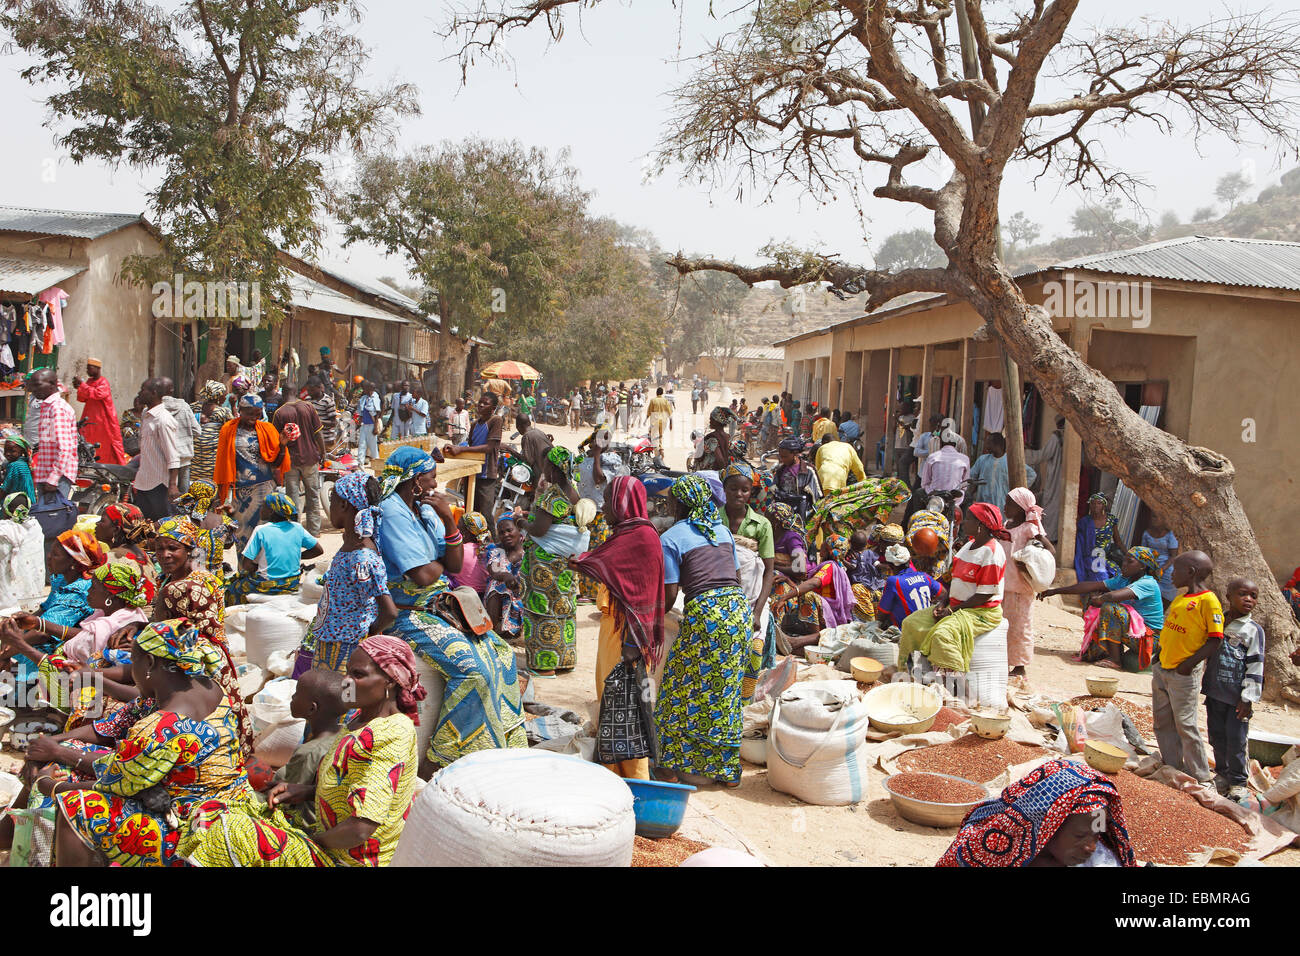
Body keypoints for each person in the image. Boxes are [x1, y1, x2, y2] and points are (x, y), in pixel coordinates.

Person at [180, 636, 421, 867]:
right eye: (347, 671)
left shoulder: (391, 733)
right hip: (327, 838)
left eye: (358, 675)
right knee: (210, 809)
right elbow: (352, 785)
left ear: (390, 681)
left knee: (222, 833)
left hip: (344, 858)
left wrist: (305, 844)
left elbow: (361, 828)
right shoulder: (361, 719)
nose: (346, 681)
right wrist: (307, 791)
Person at [38, 618, 251, 867]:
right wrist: (58, 741)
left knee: (78, 807)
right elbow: (113, 726)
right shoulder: (209, 687)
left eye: (133, 661)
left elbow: (113, 782)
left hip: (193, 826)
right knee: (73, 751)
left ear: (149, 662)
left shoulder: (162, 726)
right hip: (226, 801)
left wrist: (48, 784)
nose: (132, 669)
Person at [375, 447, 525, 770]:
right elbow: (422, 575)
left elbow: (452, 565)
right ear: (415, 481)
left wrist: (447, 519)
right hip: (405, 613)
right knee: (473, 671)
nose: (435, 483)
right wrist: (438, 564)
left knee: (502, 654)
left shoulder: (427, 510)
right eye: (430, 477)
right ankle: (440, 758)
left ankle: (501, 743)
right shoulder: (392, 512)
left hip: (439, 605)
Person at [654, 474, 749, 788]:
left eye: (671, 500)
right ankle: (726, 771)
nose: (668, 504)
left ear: (680, 503)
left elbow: (668, 597)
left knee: (677, 692)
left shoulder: (672, 537)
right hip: (738, 613)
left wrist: (648, 617)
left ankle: (668, 767)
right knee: (725, 692)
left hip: (707, 615)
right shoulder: (722, 531)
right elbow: (733, 576)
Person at [572, 476, 666, 780]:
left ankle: (631, 777)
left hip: (626, 635)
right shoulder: (629, 533)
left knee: (624, 706)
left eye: (609, 500)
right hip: (614, 628)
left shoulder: (639, 536)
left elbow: (643, 593)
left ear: (622, 503)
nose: (605, 508)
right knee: (612, 700)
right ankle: (612, 770)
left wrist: (630, 642)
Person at [937, 758, 1136, 867]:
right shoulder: (985, 851)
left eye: (1097, 834)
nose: (1091, 846)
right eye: (1080, 835)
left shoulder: (1096, 860)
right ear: (1046, 826)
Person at [153, 552, 255, 757]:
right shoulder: (210, 651)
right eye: (159, 547)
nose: (165, 554)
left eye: (157, 610)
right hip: (230, 755)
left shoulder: (183, 658)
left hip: (202, 757)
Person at [293, 473, 397, 675]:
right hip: (330, 644)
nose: (328, 507)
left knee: (346, 698)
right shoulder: (351, 544)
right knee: (327, 699)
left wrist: (367, 635)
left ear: (344, 506)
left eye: (332, 502)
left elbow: (389, 612)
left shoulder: (362, 558)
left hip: (347, 651)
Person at [898, 504, 1007, 674]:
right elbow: (953, 580)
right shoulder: (967, 546)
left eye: (970, 519)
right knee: (911, 623)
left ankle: (955, 683)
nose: (964, 523)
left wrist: (951, 610)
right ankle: (910, 672)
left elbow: (984, 595)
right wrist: (943, 603)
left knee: (943, 635)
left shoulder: (992, 553)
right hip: (956, 606)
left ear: (981, 526)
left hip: (980, 612)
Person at [1151, 551, 1222, 786]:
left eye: (1175, 570)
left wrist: (1187, 665)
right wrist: (1159, 656)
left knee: (1185, 724)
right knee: (1162, 721)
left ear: (1190, 572)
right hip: (1164, 669)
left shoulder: (1208, 601)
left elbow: (1215, 639)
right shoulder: (1181, 599)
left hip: (1182, 673)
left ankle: (1201, 777)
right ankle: (1172, 765)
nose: (1171, 575)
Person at [518, 447, 584, 675]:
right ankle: (564, 660)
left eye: (546, 465)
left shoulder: (554, 495)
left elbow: (540, 529)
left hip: (546, 566)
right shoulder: (573, 492)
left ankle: (545, 666)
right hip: (563, 564)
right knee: (563, 608)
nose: (543, 469)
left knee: (543, 610)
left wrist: (521, 523)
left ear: (554, 469)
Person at [1043, 546, 1163, 670]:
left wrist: (1099, 599)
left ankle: (1115, 660)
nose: (1124, 564)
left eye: (1130, 561)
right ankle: (1109, 651)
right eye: (1124, 560)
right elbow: (1090, 586)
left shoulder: (1148, 583)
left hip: (1150, 638)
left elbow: (1112, 596)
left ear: (1142, 566)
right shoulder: (1124, 579)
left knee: (1110, 607)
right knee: (1092, 599)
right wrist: (1055, 591)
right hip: (1133, 633)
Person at [1203, 578, 1265, 802]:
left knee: (1236, 739)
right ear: (1228, 596)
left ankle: (1238, 781)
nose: (1248, 599)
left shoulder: (1253, 630)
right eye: (1242, 594)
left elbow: (1256, 665)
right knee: (1216, 735)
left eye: (1253, 596)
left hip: (1237, 697)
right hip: (1214, 691)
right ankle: (1222, 774)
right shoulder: (1219, 622)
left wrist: (1248, 698)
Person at [269, 669, 347, 828]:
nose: (292, 697)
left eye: (297, 693)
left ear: (312, 709)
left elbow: (287, 800)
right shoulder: (346, 733)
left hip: (306, 827)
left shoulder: (309, 752)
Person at [215, 394, 289, 550]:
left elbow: (275, 463)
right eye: (249, 413)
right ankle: (244, 571)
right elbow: (223, 462)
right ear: (240, 410)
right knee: (242, 534)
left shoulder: (268, 429)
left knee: (265, 532)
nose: (254, 417)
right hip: (240, 492)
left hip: (264, 488)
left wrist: (282, 445)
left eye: (257, 413)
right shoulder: (228, 430)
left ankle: (263, 572)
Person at [226, 493, 323, 603]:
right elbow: (318, 550)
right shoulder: (297, 528)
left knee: (232, 588)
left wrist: (258, 567)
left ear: (271, 511)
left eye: (263, 506)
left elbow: (246, 564)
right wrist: (294, 556)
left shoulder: (261, 530)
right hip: (292, 584)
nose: (260, 509)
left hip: (268, 586)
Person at [1001, 487, 1057, 677]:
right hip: (1003, 585)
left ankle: (1019, 666)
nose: (1005, 506)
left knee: (1020, 627)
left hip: (1020, 587)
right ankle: (1003, 662)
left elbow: (1049, 551)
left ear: (1021, 507)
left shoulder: (1030, 528)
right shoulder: (1005, 525)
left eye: (1009, 504)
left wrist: (1031, 566)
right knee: (1003, 625)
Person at [274, 384, 326, 536]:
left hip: (290, 460)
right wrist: (323, 452)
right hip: (310, 457)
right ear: (296, 392)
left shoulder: (280, 413)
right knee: (313, 495)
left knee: (292, 497)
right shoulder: (308, 407)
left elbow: (277, 439)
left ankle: (294, 530)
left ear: (283, 394)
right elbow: (318, 433)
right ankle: (314, 531)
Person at [446, 392, 504, 516]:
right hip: (472, 473)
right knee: (470, 512)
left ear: (493, 408)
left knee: (486, 515)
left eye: (485, 403)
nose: (481, 405)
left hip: (486, 475)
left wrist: (461, 450)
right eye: (480, 402)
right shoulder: (474, 425)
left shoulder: (496, 420)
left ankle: (491, 536)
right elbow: (471, 447)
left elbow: (489, 447)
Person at [132, 378, 182, 520]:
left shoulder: (163, 420)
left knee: (163, 525)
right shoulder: (147, 416)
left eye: (143, 390)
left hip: (160, 485)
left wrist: (172, 485)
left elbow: (173, 455)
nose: (139, 393)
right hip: (144, 482)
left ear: (153, 393)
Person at [31, 369, 78, 503]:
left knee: (53, 519)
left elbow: (65, 448)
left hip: (56, 478)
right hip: (47, 475)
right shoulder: (47, 406)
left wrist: (53, 478)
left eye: (37, 385)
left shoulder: (57, 408)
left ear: (52, 384)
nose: (33, 389)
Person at [71, 358, 127, 465]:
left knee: (106, 446)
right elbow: (82, 398)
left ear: (97, 368)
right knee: (88, 445)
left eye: (89, 368)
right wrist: (79, 387)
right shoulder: (89, 382)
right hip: (90, 420)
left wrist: (82, 385)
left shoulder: (103, 382)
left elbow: (97, 394)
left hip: (103, 422)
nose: (87, 371)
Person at [877, 545, 944, 628]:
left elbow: (883, 613)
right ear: (909, 561)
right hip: (927, 627)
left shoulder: (894, 581)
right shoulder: (925, 576)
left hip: (906, 631)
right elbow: (943, 594)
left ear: (890, 566)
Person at [0, 493, 46, 610]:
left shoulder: (3, 531)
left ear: (6, 510)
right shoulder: (35, 527)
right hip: (33, 594)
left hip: (6, 597)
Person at [484, 515, 525, 640]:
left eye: (509, 530)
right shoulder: (496, 550)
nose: (506, 535)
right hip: (502, 594)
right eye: (502, 533)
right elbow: (494, 570)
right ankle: (490, 631)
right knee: (497, 584)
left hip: (522, 597)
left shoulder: (529, 550)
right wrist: (506, 576)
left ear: (519, 530)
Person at [157, 377, 200, 494]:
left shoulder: (153, 409)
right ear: (171, 391)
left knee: (165, 494)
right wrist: (184, 439)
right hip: (184, 456)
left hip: (163, 457)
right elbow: (197, 431)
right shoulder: (184, 406)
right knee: (183, 494)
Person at [969, 433, 1035, 508]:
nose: (986, 446)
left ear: (997, 444)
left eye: (988, 443)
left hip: (1001, 505)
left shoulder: (1010, 461)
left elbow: (1032, 474)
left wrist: (1018, 491)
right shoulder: (982, 460)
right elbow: (972, 476)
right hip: (982, 504)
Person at [1024, 417, 1064, 541]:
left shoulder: (1057, 437)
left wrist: (1024, 453)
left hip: (1056, 478)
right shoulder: (1071, 437)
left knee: (1051, 506)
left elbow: (1043, 455)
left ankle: (1050, 539)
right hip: (1063, 479)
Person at [1073, 492, 1125, 583]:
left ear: (1103, 506)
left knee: (1118, 574)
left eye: (1099, 503)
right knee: (1101, 575)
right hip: (1091, 557)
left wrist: (1129, 554)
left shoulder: (1111, 520)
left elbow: (1118, 541)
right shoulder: (1084, 522)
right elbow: (1080, 544)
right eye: (1093, 503)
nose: (1095, 506)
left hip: (1106, 557)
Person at [191, 381, 231, 485]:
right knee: (208, 485)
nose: (225, 398)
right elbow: (233, 427)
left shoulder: (194, 407)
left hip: (204, 456)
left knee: (198, 484)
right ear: (218, 396)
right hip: (204, 458)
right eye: (224, 395)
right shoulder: (223, 412)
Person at [448, 511, 493, 595]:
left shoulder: (461, 551)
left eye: (458, 527)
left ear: (466, 533)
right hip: (484, 599)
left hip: (462, 598)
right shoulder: (491, 551)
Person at [1141, 515, 1180, 606]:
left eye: (1157, 517)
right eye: (1153, 517)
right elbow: (1143, 552)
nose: (1154, 520)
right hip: (1151, 566)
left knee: (1167, 596)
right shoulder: (1147, 533)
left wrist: (1161, 569)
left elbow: (1173, 556)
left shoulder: (1170, 535)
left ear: (1164, 520)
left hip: (1167, 567)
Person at [919, 430, 970, 499]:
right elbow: (965, 484)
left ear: (940, 444)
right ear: (955, 445)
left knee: (918, 493)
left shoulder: (932, 457)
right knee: (969, 498)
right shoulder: (964, 459)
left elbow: (925, 483)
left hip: (934, 495)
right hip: (955, 497)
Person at [693, 406, 735, 472]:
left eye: (711, 419)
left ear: (717, 421)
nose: (710, 421)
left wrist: (723, 472)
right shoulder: (726, 436)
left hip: (710, 473)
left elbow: (720, 459)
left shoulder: (713, 439)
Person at [306, 376, 339, 455]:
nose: (310, 392)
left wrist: (317, 422)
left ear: (319, 388)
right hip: (313, 440)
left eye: (312, 390)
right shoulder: (308, 400)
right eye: (308, 390)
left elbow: (333, 423)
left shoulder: (328, 401)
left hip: (327, 441)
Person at [355, 381, 382, 466]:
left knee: (372, 445)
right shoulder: (363, 399)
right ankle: (360, 463)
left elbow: (377, 413)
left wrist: (375, 426)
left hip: (371, 424)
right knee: (361, 444)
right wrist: (358, 423)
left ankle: (377, 462)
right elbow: (361, 413)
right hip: (364, 425)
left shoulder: (375, 398)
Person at [2, 435, 35, 503]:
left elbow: (5, 488)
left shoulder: (15, 465)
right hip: (26, 504)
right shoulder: (24, 463)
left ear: (22, 451)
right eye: (6, 450)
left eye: (12, 451)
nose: (7, 453)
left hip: (15, 506)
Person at [893, 399, 917, 481]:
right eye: (900, 408)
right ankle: (899, 481)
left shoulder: (912, 418)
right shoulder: (900, 417)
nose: (901, 410)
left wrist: (896, 419)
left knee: (903, 467)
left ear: (907, 408)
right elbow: (894, 430)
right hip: (897, 444)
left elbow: (906, 427)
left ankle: (905, 483)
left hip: (906, 445)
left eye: (902, 408)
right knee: (898, 467)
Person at [647, 387, 673, 456]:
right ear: (662, 393)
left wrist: (646, 419)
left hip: (655, 421)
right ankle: (661, 448)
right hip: (664, 421)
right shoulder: (665, 401)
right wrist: (671, 423)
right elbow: (669, 412)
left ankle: (657, 453)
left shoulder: (653, 400)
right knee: (660, 435)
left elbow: (649, 411)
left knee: (654, 435)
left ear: (656, 393)